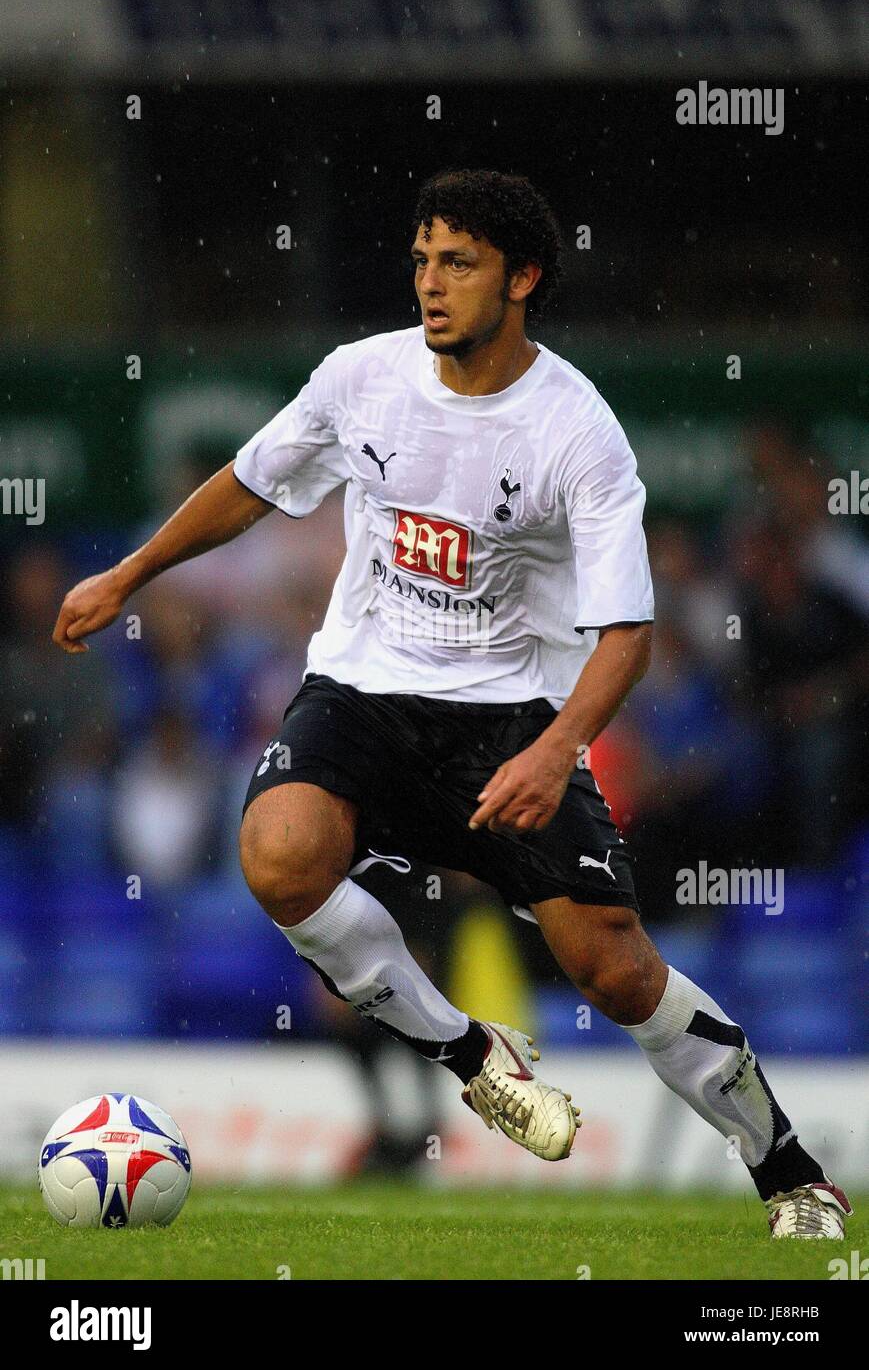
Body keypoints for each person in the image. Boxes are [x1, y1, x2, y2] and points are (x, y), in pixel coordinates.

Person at [52, 168, 851, 1239]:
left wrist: (555, 747)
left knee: (613, 970)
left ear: (520, 278)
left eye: (458, 263)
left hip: (510, 718)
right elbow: (250, 478)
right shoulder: (362, 378)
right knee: (279, 855)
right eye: (422, 258)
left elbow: (627, 637)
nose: (430, 282)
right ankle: (471, 1056)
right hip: (363, 689)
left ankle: (785, 1165)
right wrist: (129, 573)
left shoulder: (579, 433)